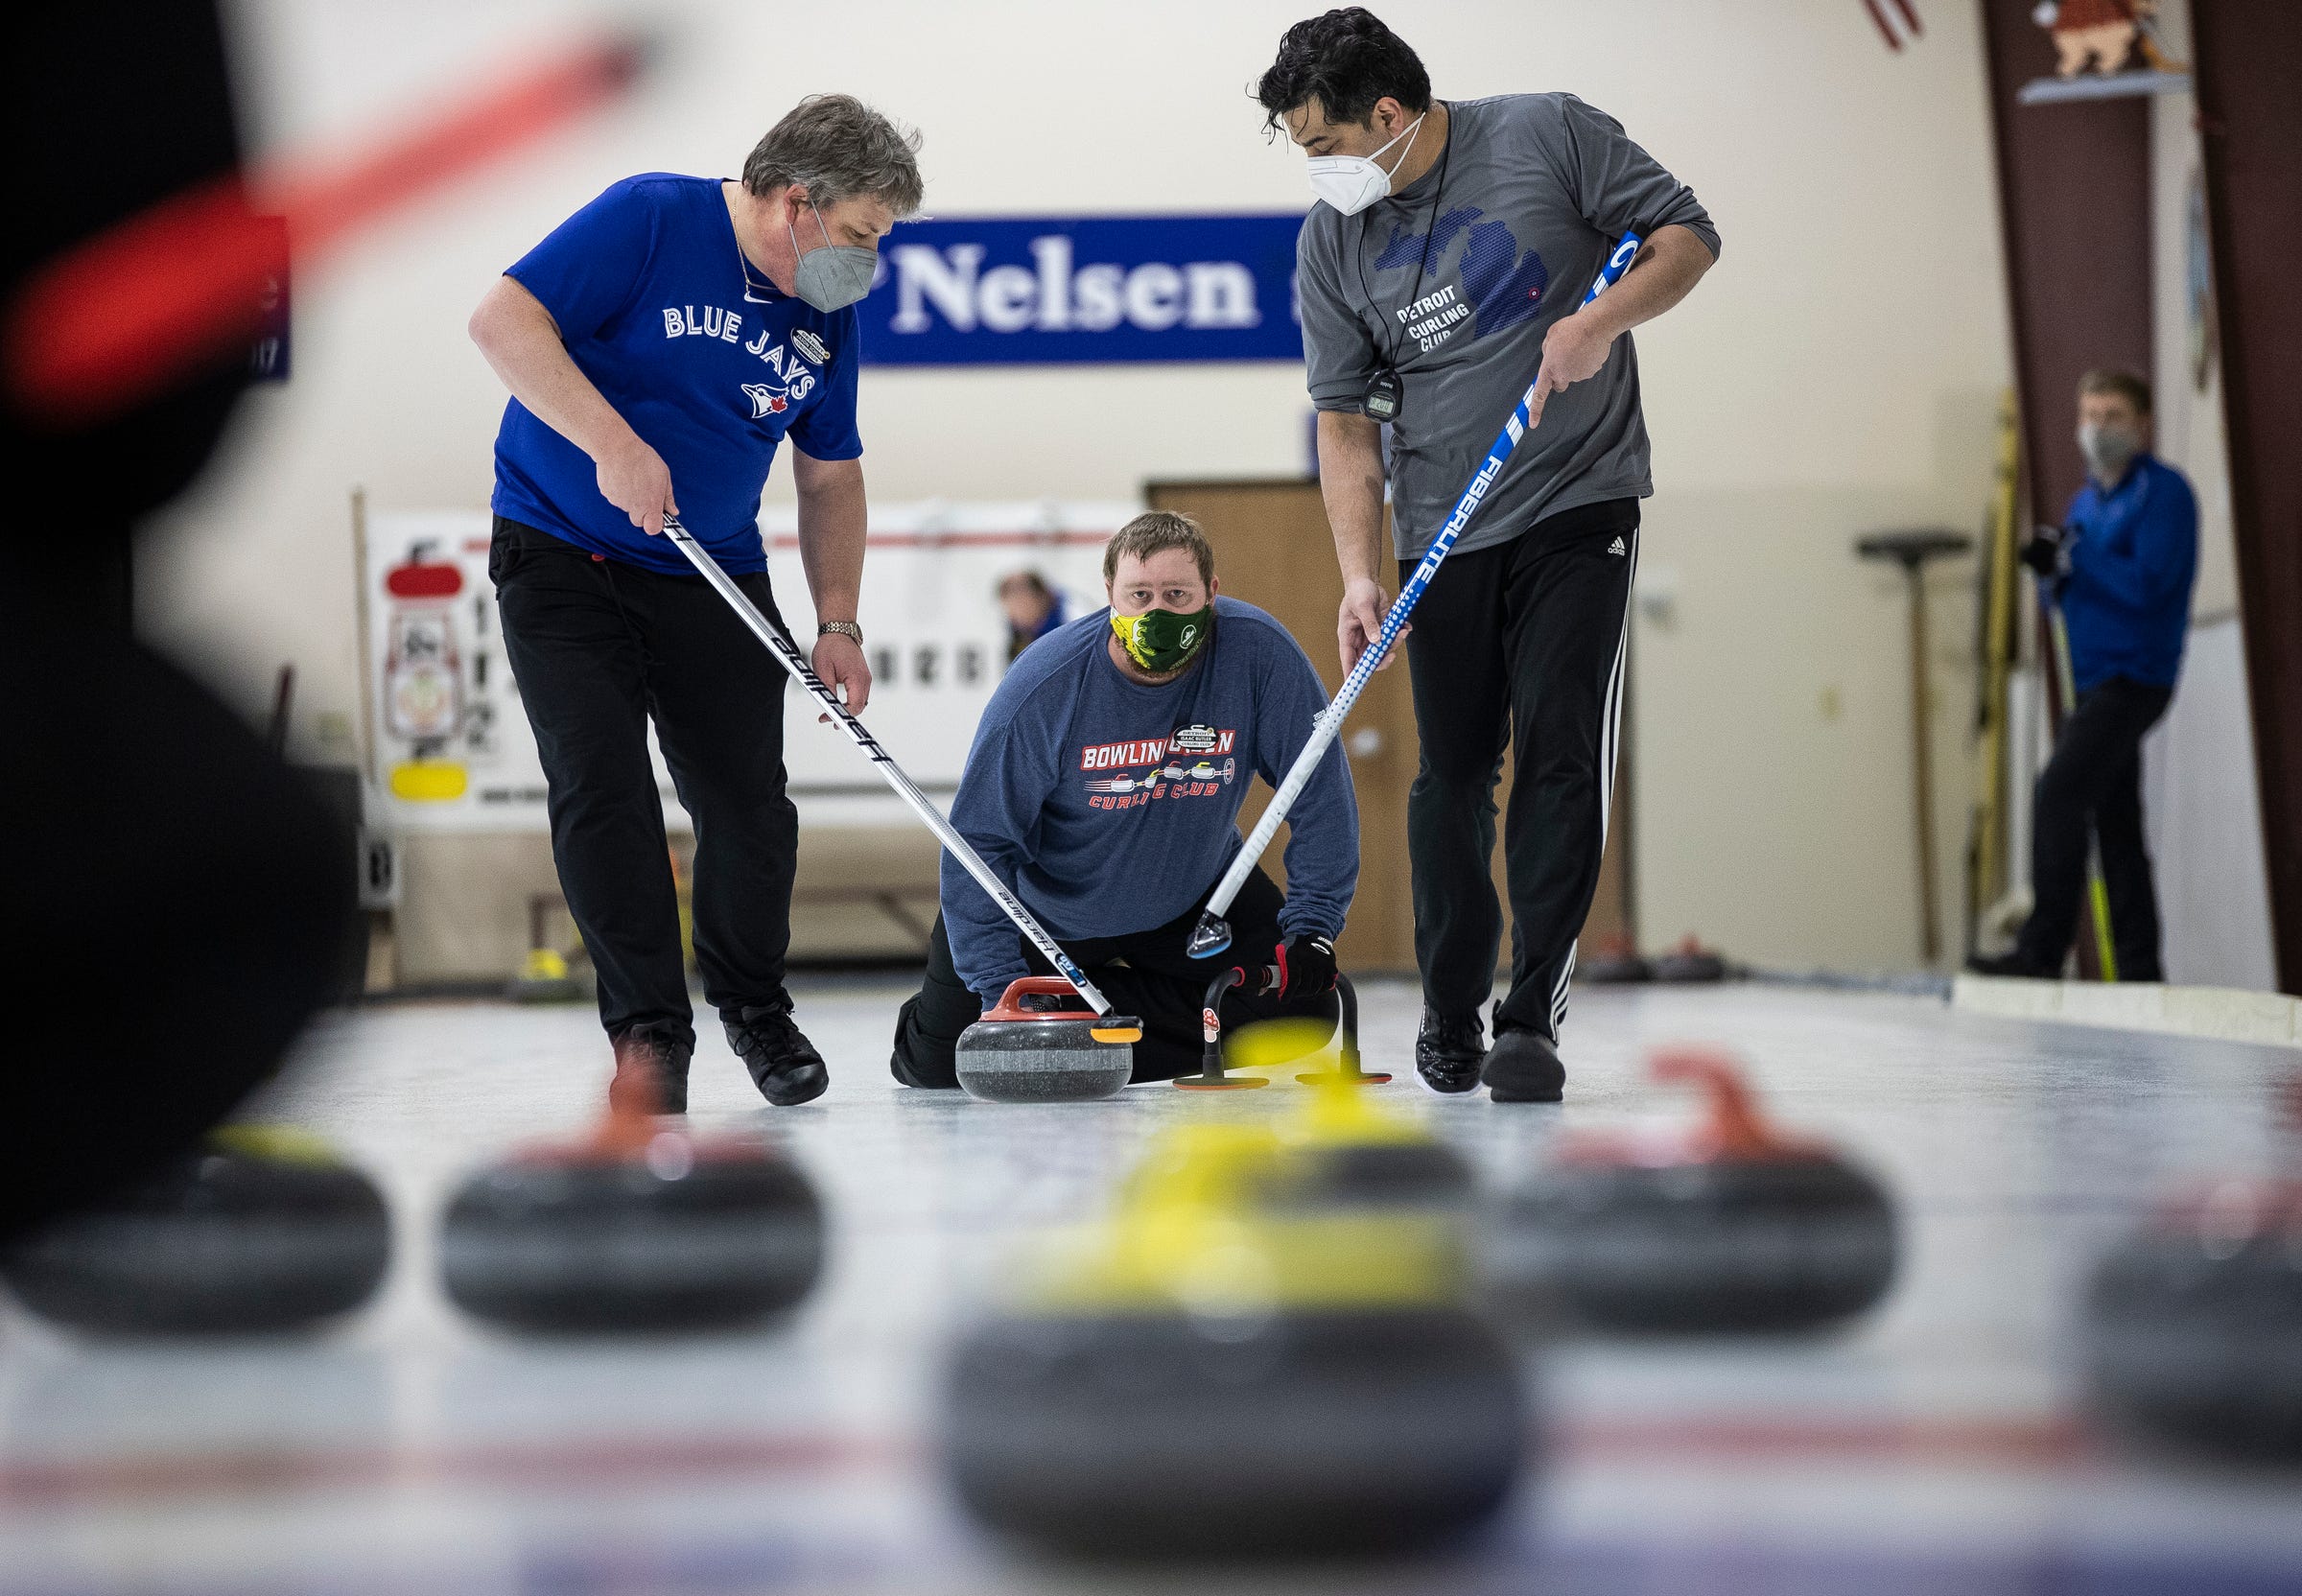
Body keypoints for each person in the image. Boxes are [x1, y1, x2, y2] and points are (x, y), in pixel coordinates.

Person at [1261, 8, 1719, 1101]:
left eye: (1321, 145)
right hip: (1443, 529)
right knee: (1451, 777)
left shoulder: (1547, 134)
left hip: (1578, 502)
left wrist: (1600, 319)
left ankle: (1530, 1015)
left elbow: (1687, 236)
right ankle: (1450, 1005)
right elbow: (1343, 422)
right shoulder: (1333, 242)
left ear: (1387, 114)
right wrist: (1361, 570)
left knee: (1561, 748)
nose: (1315, 172)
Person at [469, 95, 923, 1114]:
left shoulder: (825, 308)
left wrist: (838, 618)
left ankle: (756, 1008)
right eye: (860, 234)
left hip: (709, 564)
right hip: (559, 550)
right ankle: (647, 1036)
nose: (867, 262)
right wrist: (612, 444)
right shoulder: (651, 217)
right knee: (604, 787)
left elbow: (829, 474)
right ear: (798, 204)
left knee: (749, 804)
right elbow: (502, 319)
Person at [890, 512, 1358, 1086]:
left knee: (1303, 1012)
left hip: (1193, 903)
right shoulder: (1046, 685)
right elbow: (980, 842)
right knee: (947, 1064)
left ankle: (1074, 1029)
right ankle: (1052, 1019)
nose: (1156, 612)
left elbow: (1321, 795)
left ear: (1211, 593)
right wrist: (998, 987)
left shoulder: (1259, 655)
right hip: (1044, 916)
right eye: (1139, 595)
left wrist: (1313, 925)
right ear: (1108, 593)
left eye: (1177, 594)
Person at [1971, 369, 2196, 982]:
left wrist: (2079, 558)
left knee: (2058, 794)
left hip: (2136, 677)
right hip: (2091, 678)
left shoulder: (2165, 495)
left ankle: (2042, 952)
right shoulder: (2085, 503)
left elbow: (2149, 588)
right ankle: (2141, 969)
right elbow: (2063, 601)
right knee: (2115, 819)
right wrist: (2052, 571)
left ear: (2141, 424)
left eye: (2113, 415)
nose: (2097, 429)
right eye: (2089, 414)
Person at [998, 569, 1066, 663]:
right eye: (1010, 606)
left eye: (1021, 602)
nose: (1016, 612)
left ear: (1042, 597)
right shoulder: (1015, 634)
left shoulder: (1072, 616)